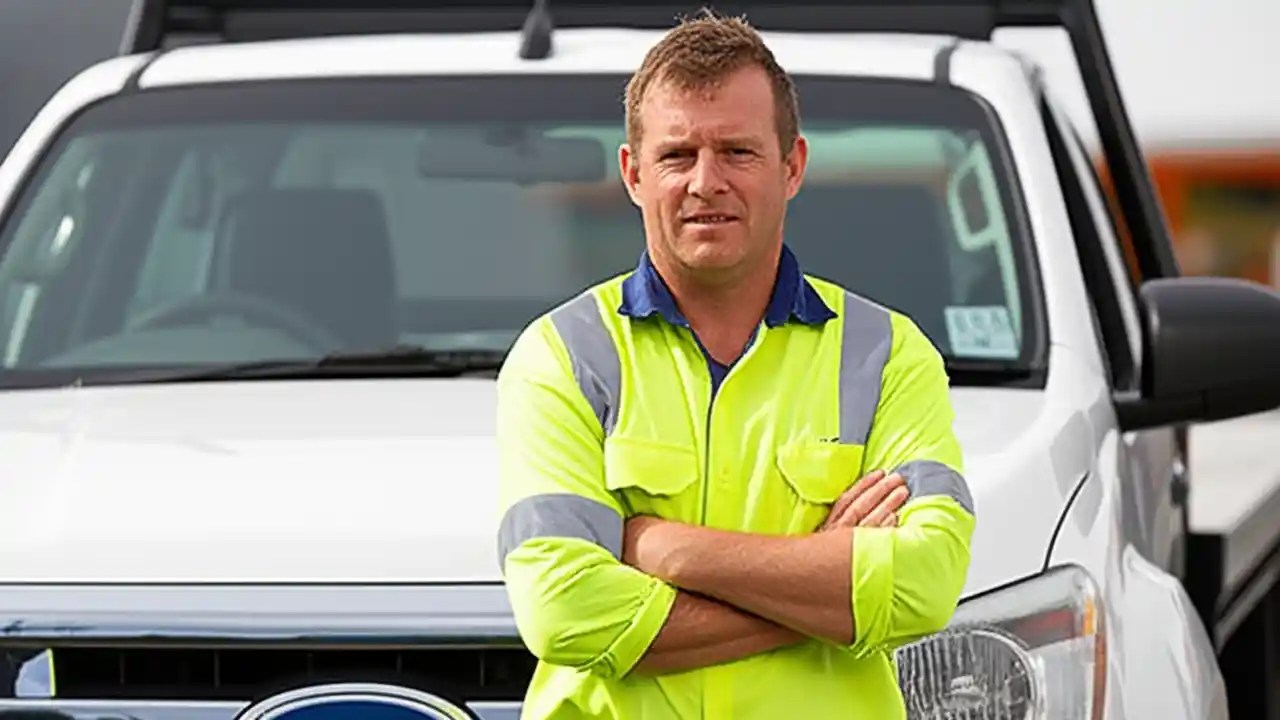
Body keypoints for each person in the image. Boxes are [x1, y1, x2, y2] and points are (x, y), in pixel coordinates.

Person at [495, 10, 975, 719]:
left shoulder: (889, 355)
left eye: (738, 153)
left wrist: (670, 550)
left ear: (793, 166)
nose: (705, 181)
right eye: (677, 155)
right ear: (633, 173)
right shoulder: (561, 357)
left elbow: (927, 585)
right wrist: (822, 592)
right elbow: (561, 608)